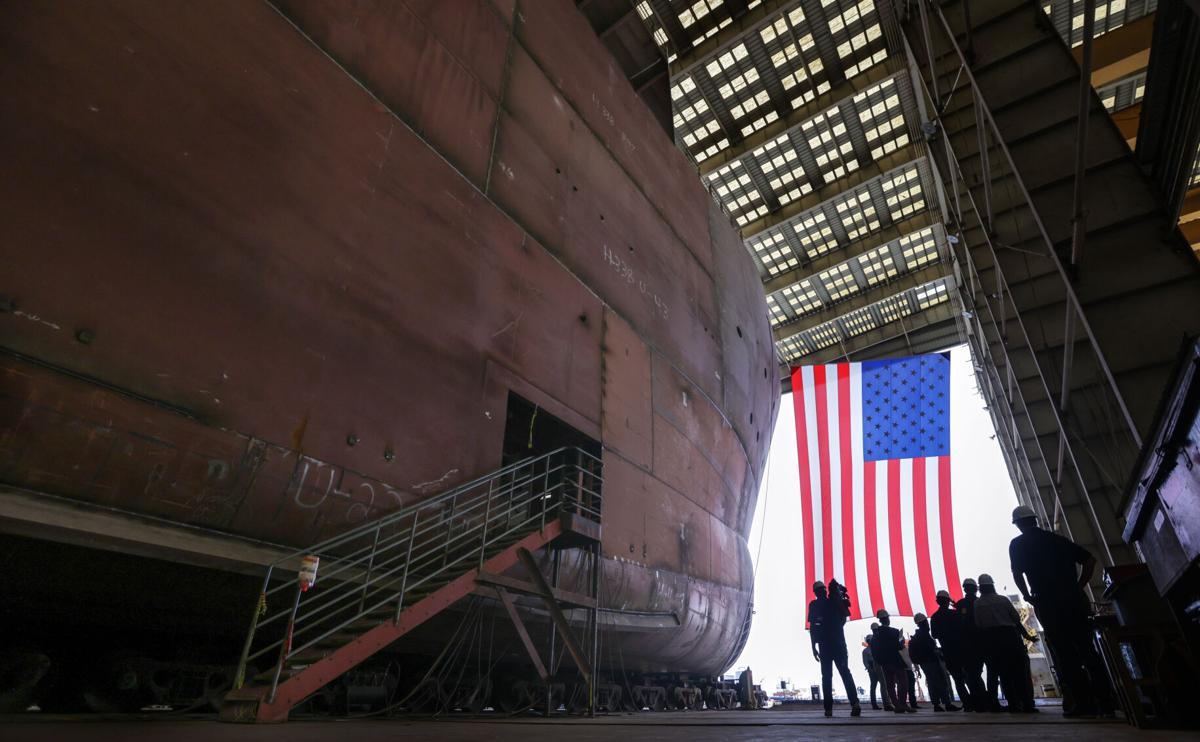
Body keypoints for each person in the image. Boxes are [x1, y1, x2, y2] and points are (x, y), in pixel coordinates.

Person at [1009, 505, 1115, 717]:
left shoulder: (1018, 544)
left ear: (1019, 524)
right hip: (1073, 600)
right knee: (1088, 650)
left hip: (1048, 603)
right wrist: (1079, 585)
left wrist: (1027, 595)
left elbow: (1017, 573)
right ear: (1034, 520)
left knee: (1066, 654)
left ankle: (1085, 705)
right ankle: (1108, 703)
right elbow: (1090, 560)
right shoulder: (1057, 540)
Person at [974, 573, 1039, 713]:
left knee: (1004, 674)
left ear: (980, 588)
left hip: (992, 640)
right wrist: (1027, 636)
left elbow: (979, 624)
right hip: (1010, 637)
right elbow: (1016, 620)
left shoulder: (978, 604)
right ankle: (1027, 704)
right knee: (1020, 672)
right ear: (992, 585)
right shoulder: (1003, 600)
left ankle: (1013, 705)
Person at [807, 580, 861, 717]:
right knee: (845, 672)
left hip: (824, 646)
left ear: (815, 593)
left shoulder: (814, 605)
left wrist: (813, 647)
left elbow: (813, 628)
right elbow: (843, 619)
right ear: (825, 590)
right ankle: (855, 703)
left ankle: (828, 709)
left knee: (826, 677)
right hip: (838, 644)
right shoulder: (834, 602)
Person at [931, 589, 975, 710]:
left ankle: (967, 703)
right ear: (947, 601)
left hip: (948, 652)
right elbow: (963, 627)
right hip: (961, 649)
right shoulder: (954, 614)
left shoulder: (935, 617)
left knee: (958, 680)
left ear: (937, 602)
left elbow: (934, 634)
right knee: (968, 677)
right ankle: (976, 700)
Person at [956, 577, 993, 711]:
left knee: (973, 674)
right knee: (988, 673)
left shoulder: (961, 604)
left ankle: (979, 702)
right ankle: (988, 701)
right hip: (983, 642)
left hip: (969, 645)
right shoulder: (980, 602)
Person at [910, 612, 960, 711]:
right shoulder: (924, 636)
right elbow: (931, 649)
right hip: (931, 662)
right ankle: (947, 703)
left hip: (926, 663)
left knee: (932, 683)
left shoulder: (919, 635)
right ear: (924, 622)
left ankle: (936, 704)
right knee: (940, 682)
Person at [872, 610, 915, 714]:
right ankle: (903, 704)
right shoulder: (894, 632)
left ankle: (897, 705)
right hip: (896, 661)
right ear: (887, 619)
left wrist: (880, 661)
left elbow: (875, 650)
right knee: (903, 682)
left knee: (890, 684)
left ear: (880, 620)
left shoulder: (876, 635)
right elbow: (899, 646)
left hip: (885, 663)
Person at [862, 633, 883, 710]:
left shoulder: (877, 649)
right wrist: (870, 669)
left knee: (883, 686)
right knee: (873, 686)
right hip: (872, 670)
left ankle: (886, 702)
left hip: (879, 669)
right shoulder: (865, 651)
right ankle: (874, 704)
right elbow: (865, 662)